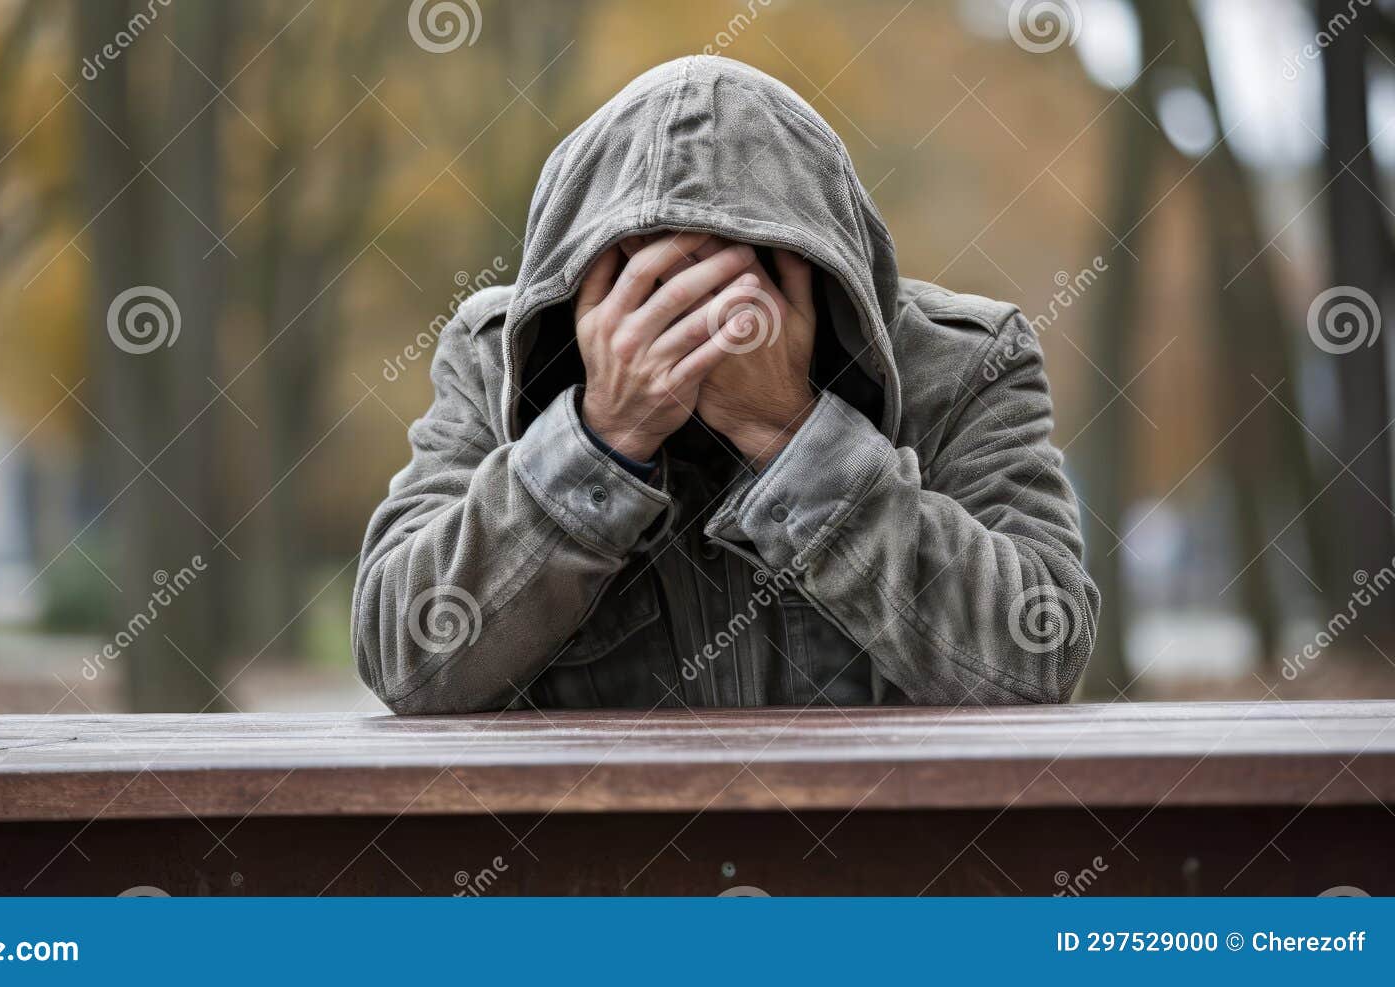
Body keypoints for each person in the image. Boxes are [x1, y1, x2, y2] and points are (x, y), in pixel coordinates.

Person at [352, 55, 1099, 713]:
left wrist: (793, 436)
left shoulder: (965, 364)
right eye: (652, 284)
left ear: (814, 272)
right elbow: (405, 661)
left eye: (730, 279)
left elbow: (1041, 650)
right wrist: (598, 440)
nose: (693, 322)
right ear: (588, 281)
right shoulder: (495, 359)